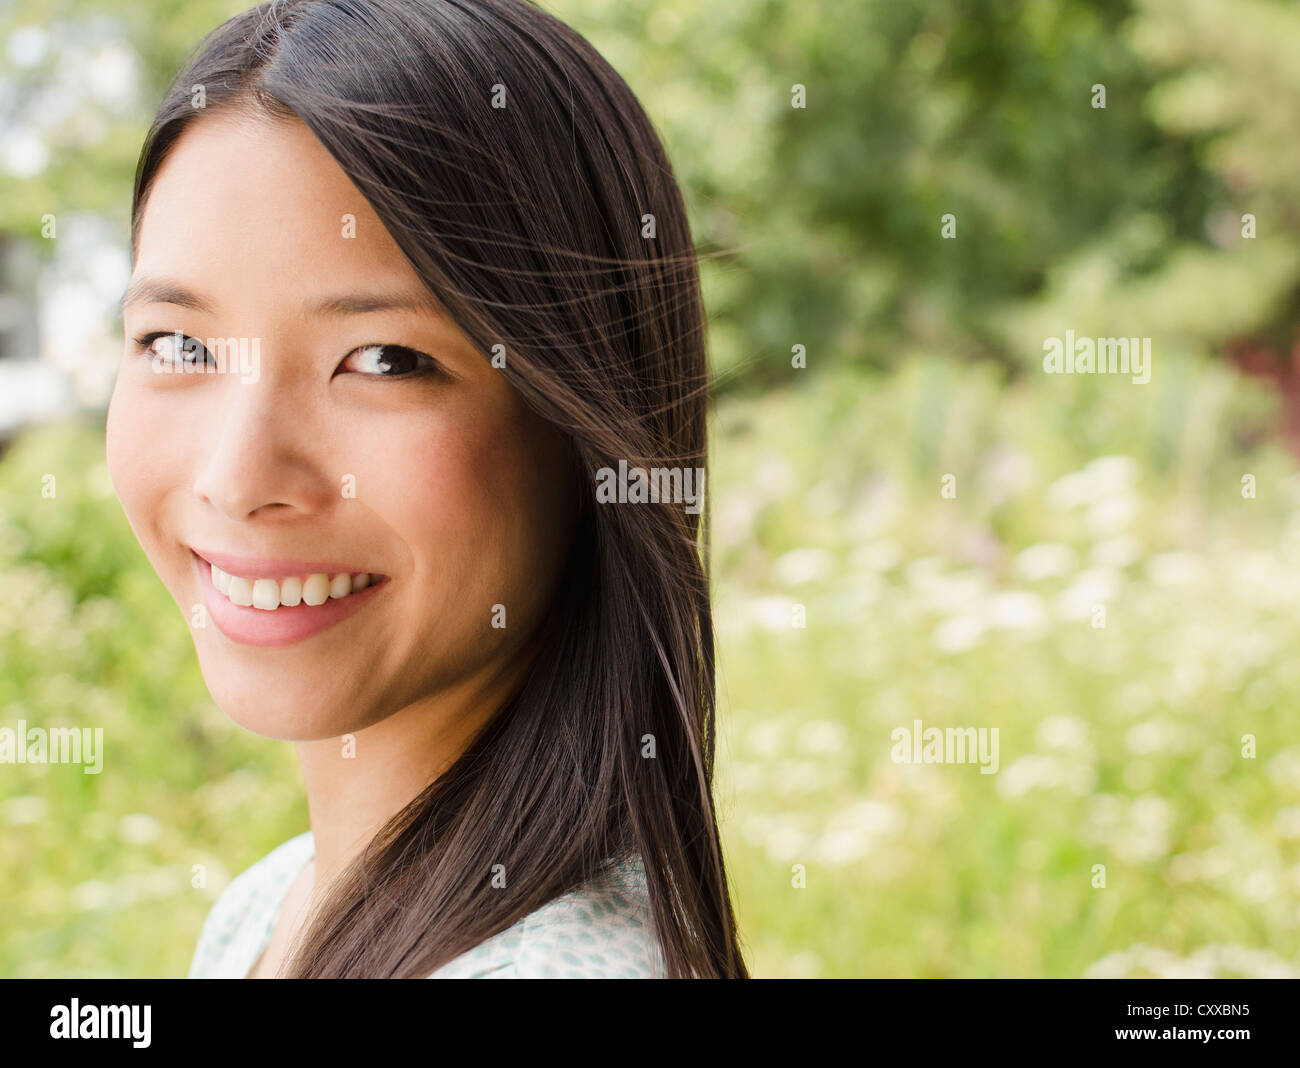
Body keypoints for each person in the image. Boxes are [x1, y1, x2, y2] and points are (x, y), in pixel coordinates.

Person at [106, 0, 747, 978]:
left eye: (385, 361)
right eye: (180, 344)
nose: (238, 480)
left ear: (583, 433)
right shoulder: (269, 908)